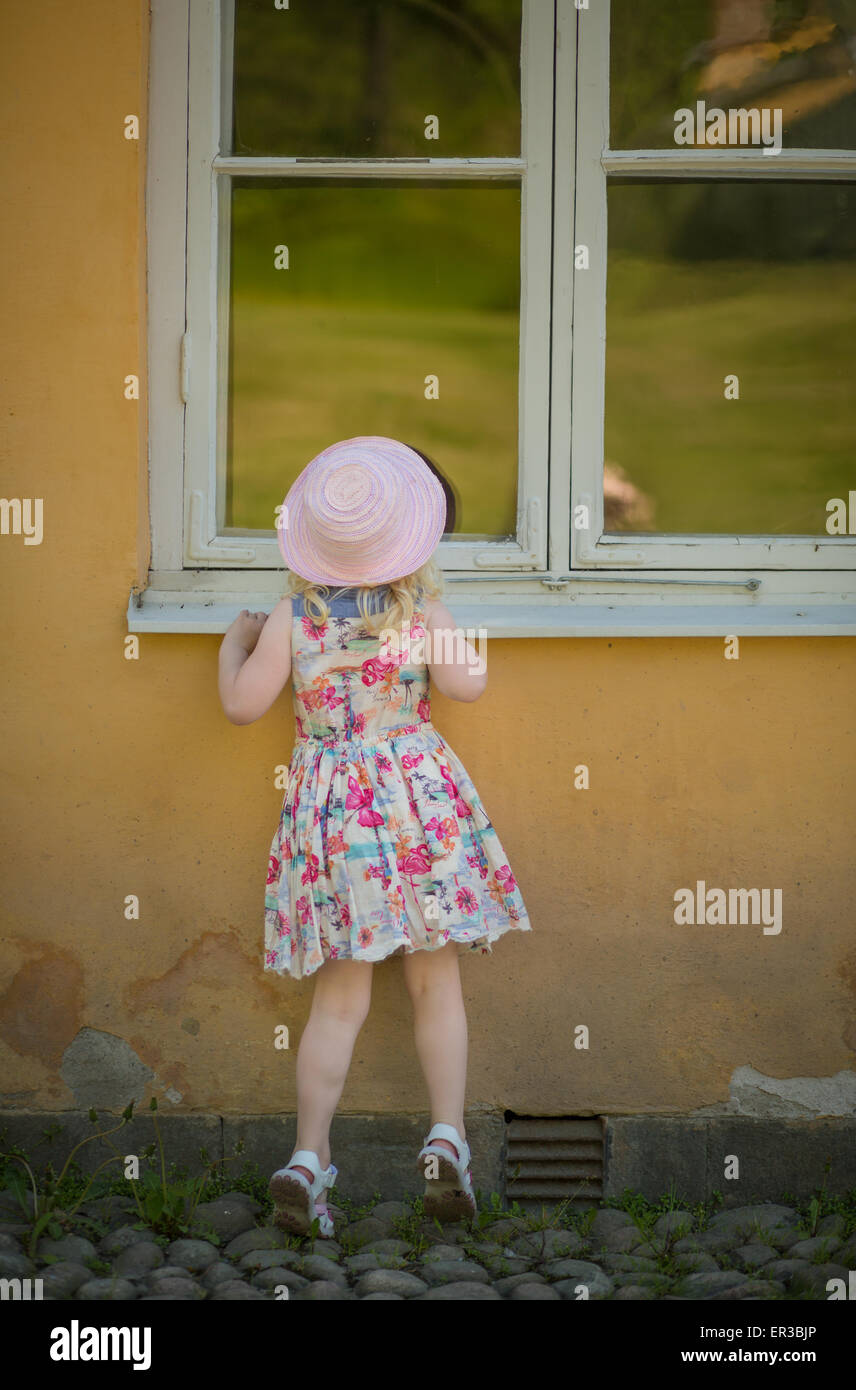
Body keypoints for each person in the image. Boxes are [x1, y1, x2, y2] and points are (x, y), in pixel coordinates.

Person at [217, 436, 531, 1237]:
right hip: (420, 809)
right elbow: (470, 684)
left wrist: (232, 648)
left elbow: (244, 707)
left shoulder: (292, 620)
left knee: (339, 999)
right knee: (436, 985)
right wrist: (442, 630)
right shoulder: (421, 613)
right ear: (411, 541)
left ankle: (307, 1158)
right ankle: (446, 1138)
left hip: (334, 818)